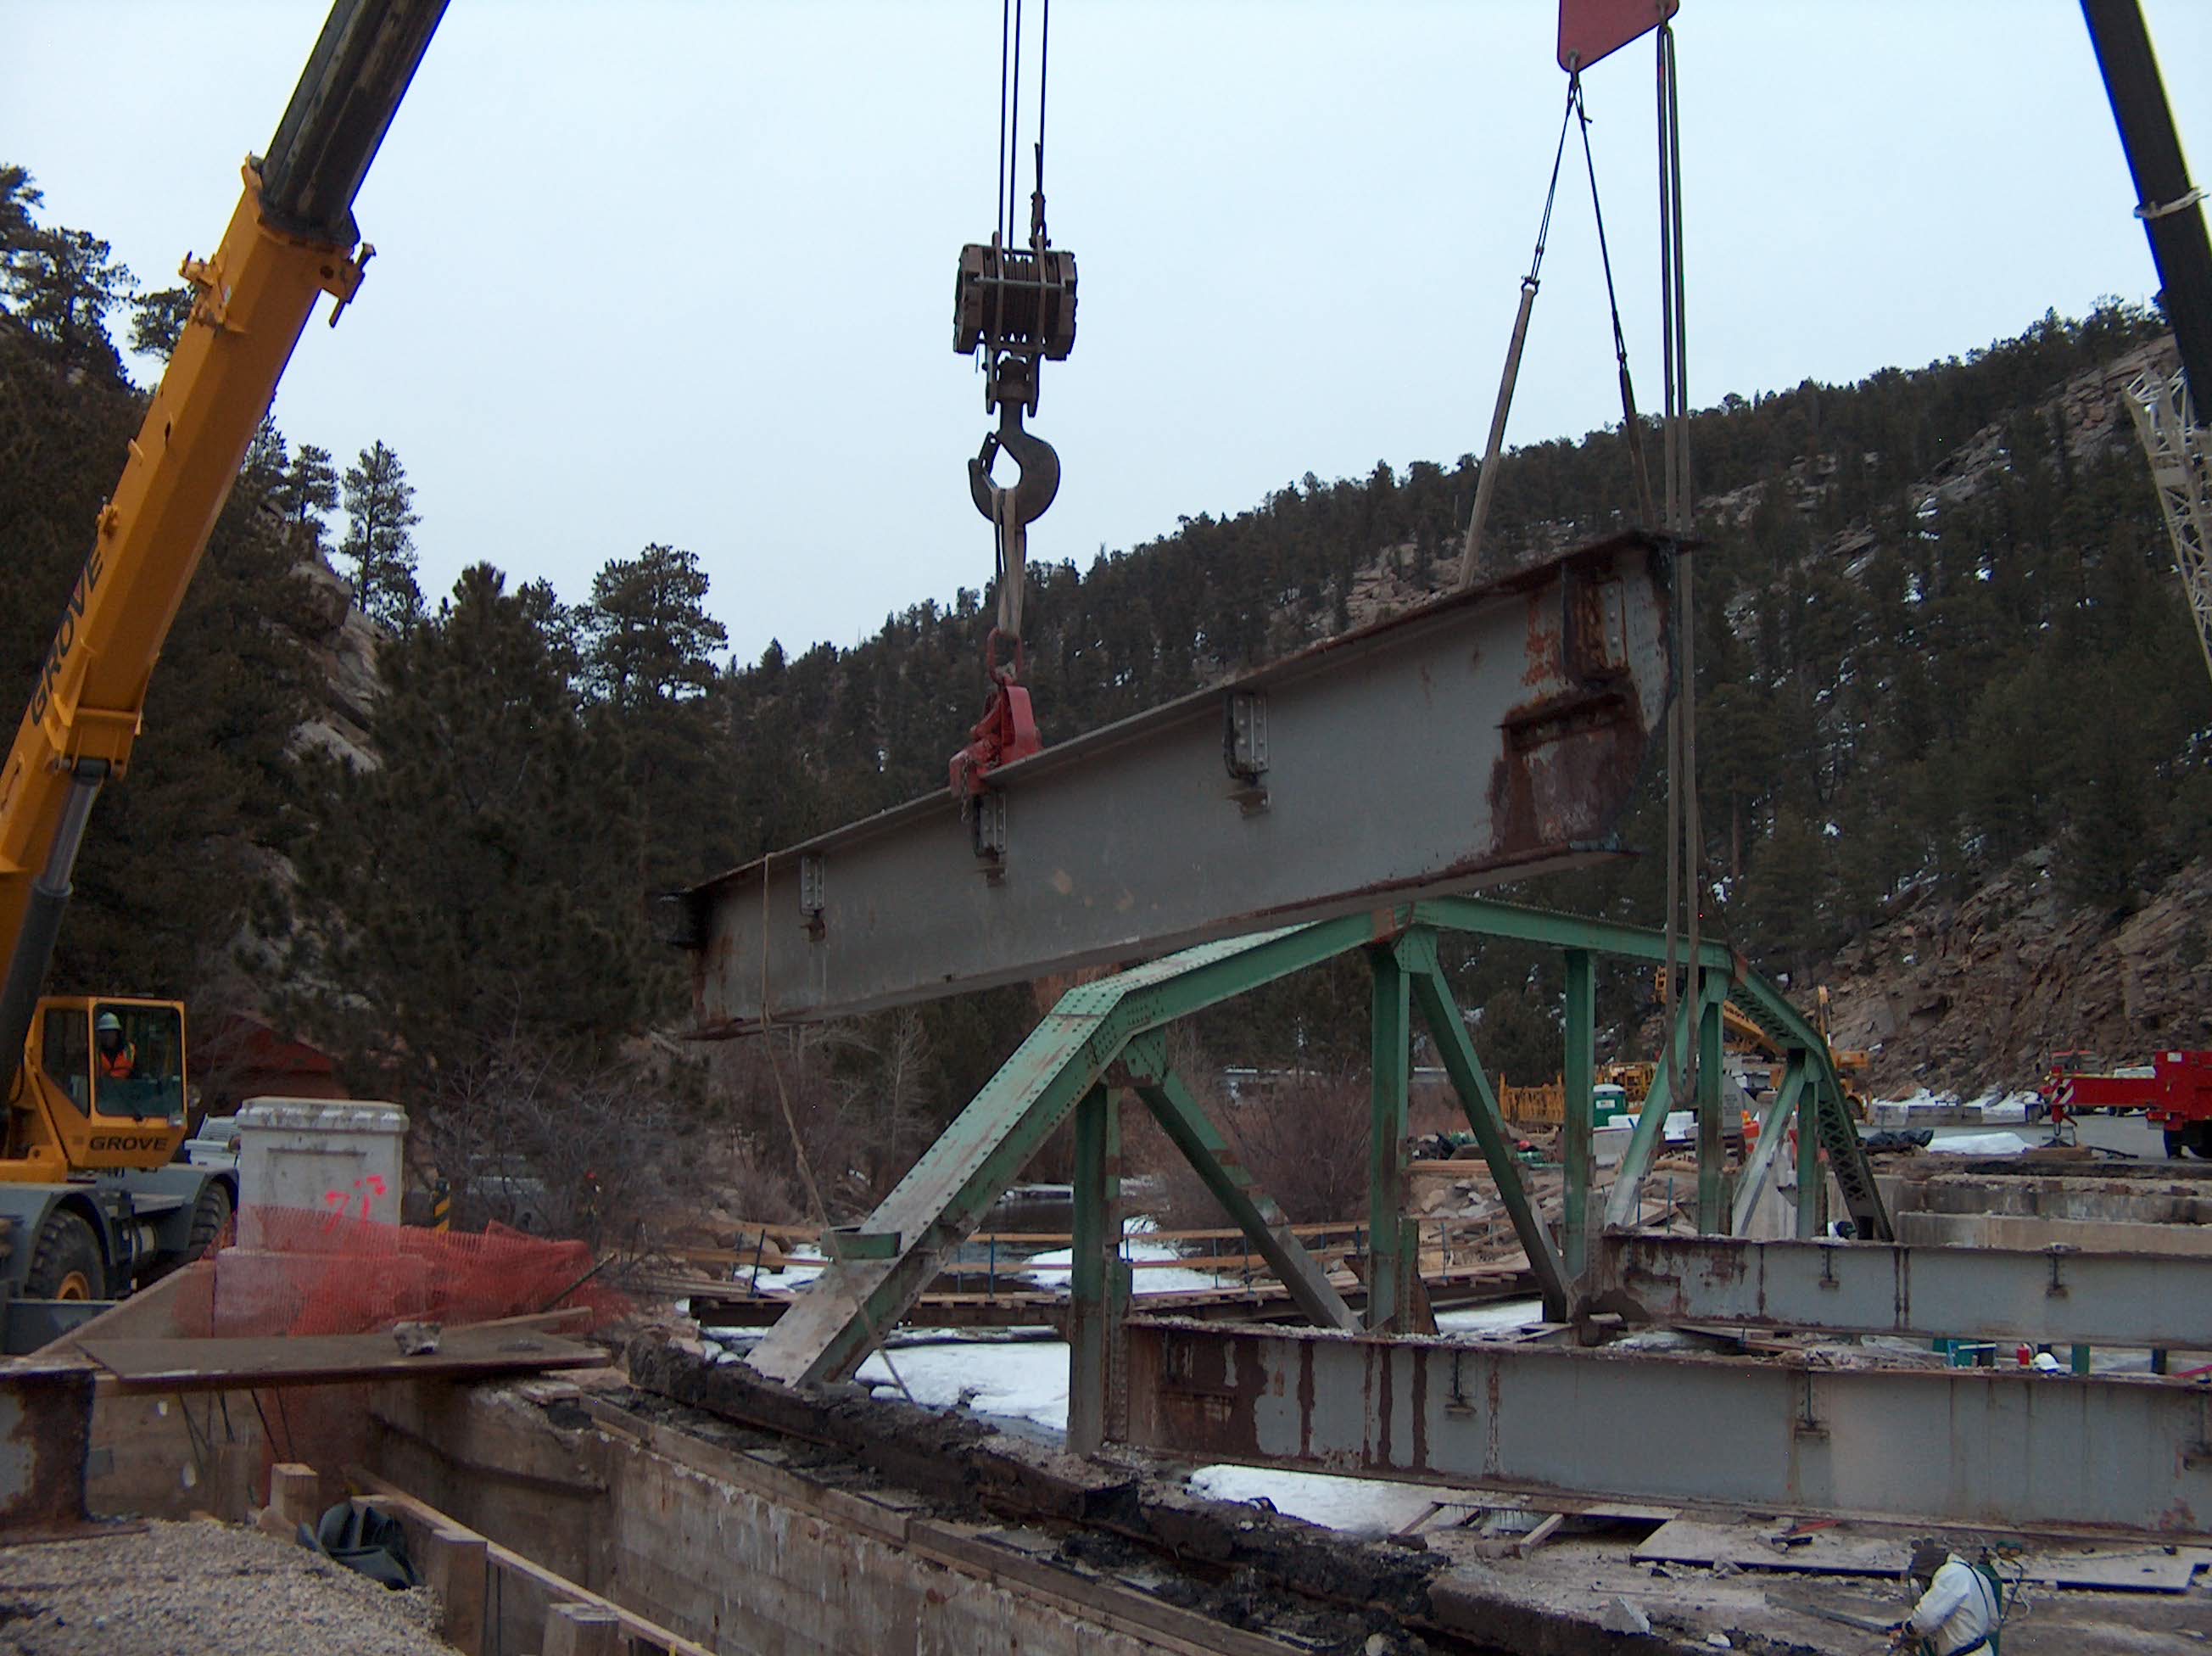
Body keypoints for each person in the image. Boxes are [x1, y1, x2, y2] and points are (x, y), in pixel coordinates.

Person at [1891, 1541, 2001, 1655]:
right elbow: (1993, 1624)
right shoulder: (1975, 1574)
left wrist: (1908, 1628)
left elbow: (1926, 1619)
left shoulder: (1950, 1574)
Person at [95, 1011, 135, 1082]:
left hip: (125, 1087)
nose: (107, 1036)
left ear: (117, 1033)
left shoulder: (129, 1050)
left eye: (110, 1032)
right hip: (99, 1087)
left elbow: (138, 1076)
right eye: (104, 1032)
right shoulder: (94, 1051)